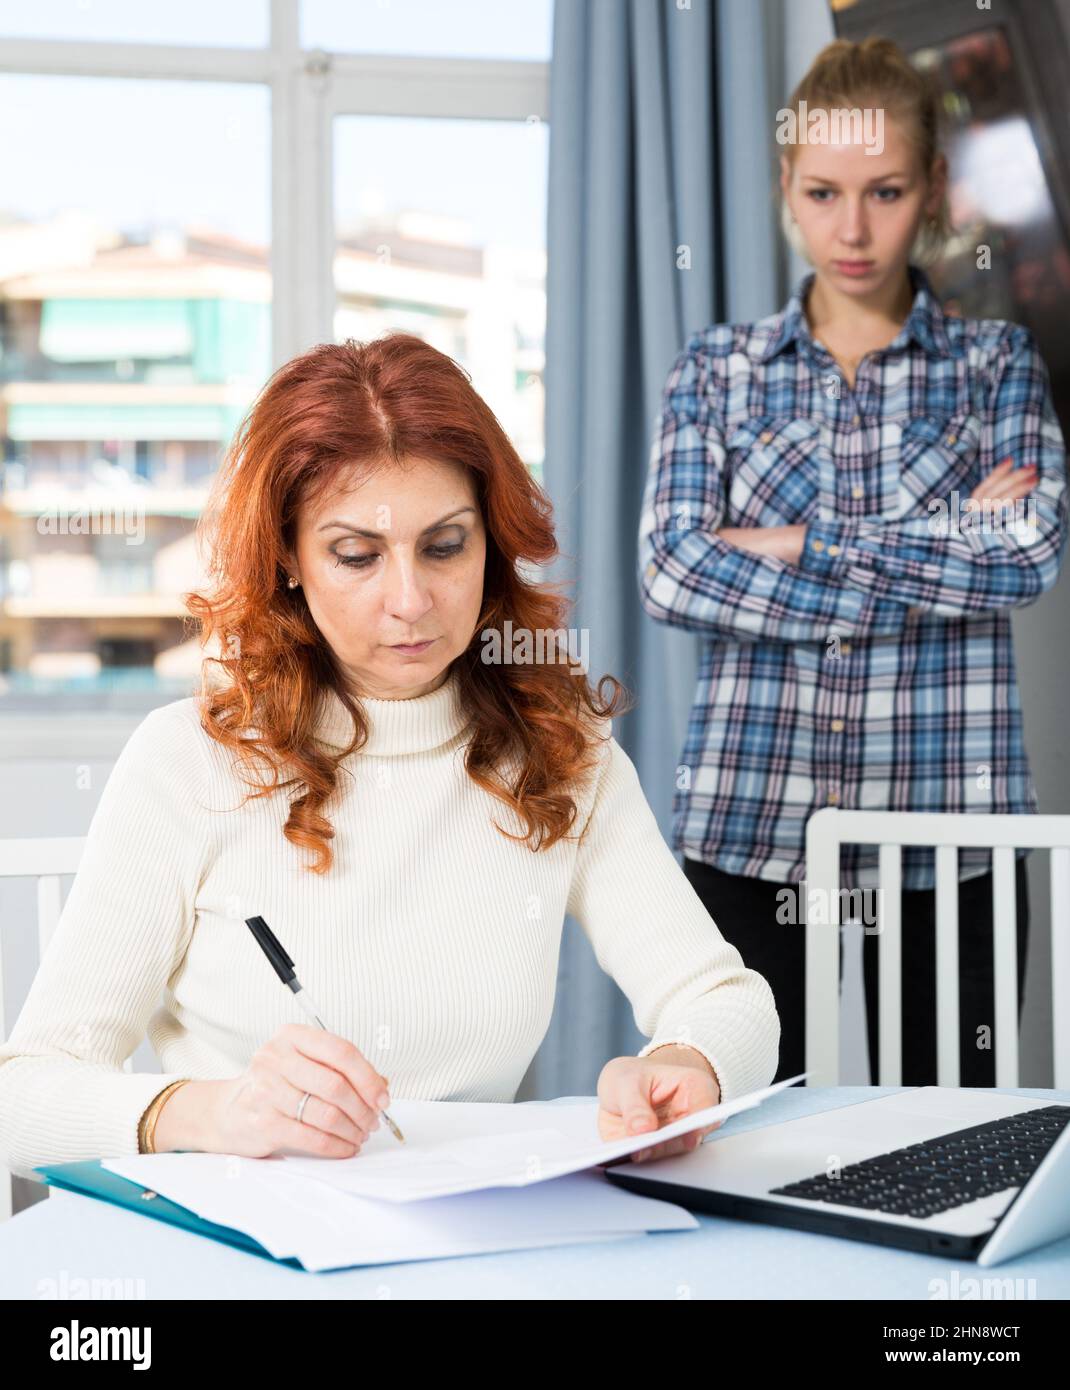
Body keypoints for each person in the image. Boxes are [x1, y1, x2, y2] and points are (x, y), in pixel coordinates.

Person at [0, 332, 779, 1186]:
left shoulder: (560, 753)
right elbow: (23, 1100)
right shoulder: (186, 763)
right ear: (289, 558)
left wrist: (686, 1065)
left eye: (445, 546)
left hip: (468, 1239)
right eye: (356, 555)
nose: (410, 601)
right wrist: (213, 1111)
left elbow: (725, 999)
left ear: (491, 541)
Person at [638, 38, 1067, 1087]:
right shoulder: (717, 370)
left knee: (950, 1154)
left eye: (882, 191)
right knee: (733, 1146)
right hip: (750, 831)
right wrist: (938, 536)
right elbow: (669, 571)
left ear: (929, 189)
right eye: (823, 191)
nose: (851, 227)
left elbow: (1026, 553)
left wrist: (799, 543)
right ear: (786, 185)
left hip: (949, 845)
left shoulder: (993, 365)